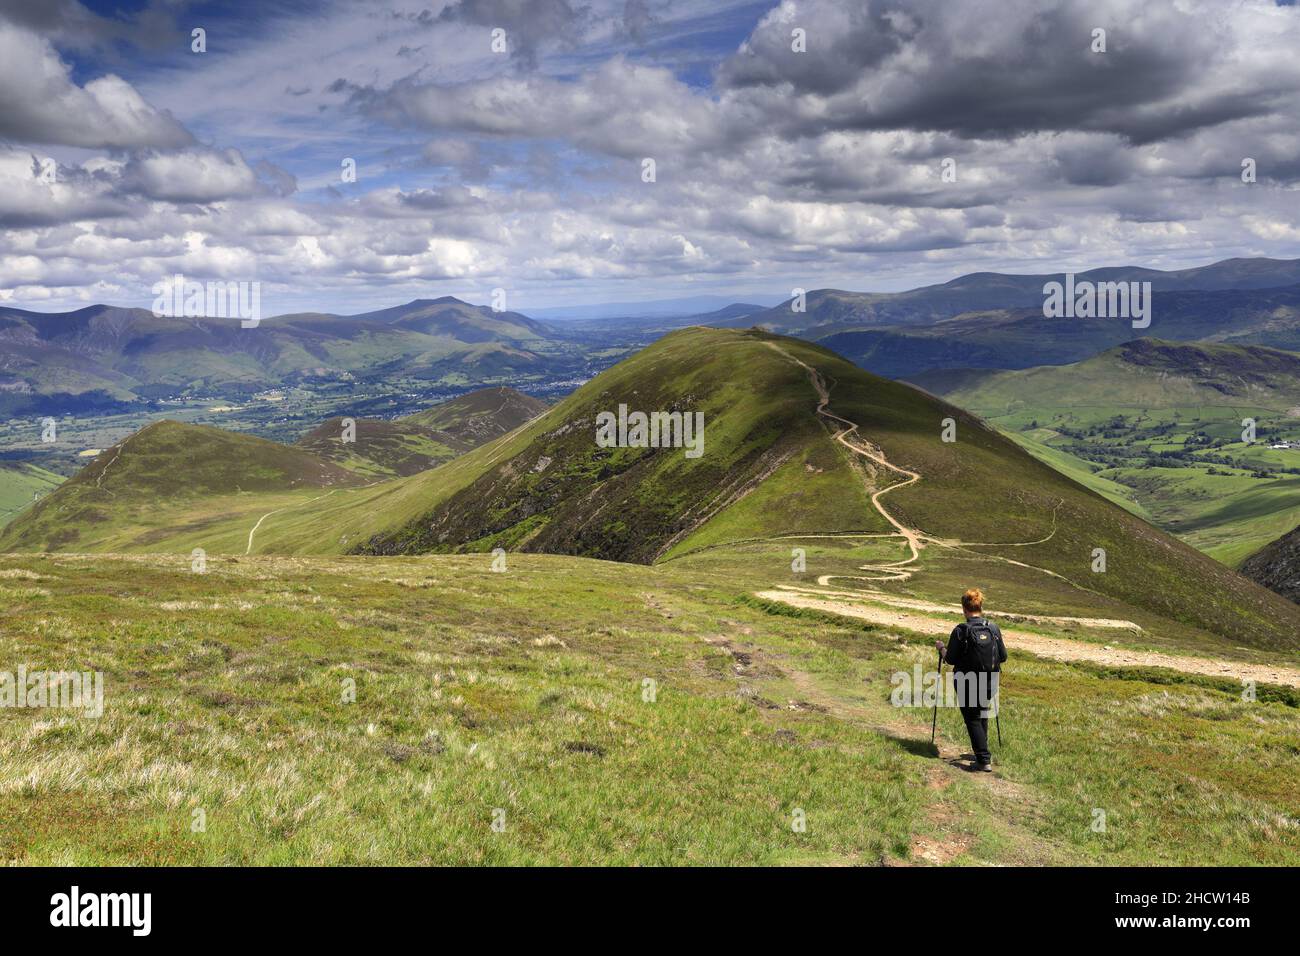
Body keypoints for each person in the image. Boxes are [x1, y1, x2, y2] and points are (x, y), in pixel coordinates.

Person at [935, 588, 1006, 772]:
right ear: (980, 606)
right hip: (991, 680)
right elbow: (1003, 656)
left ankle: (983, 759)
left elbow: (950, 659)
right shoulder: (993, 627)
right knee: (981, 713)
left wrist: (941, 648)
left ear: (964, 608)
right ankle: (981, 751)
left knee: (972, 718)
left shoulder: (961, 630)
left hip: (967, 681)